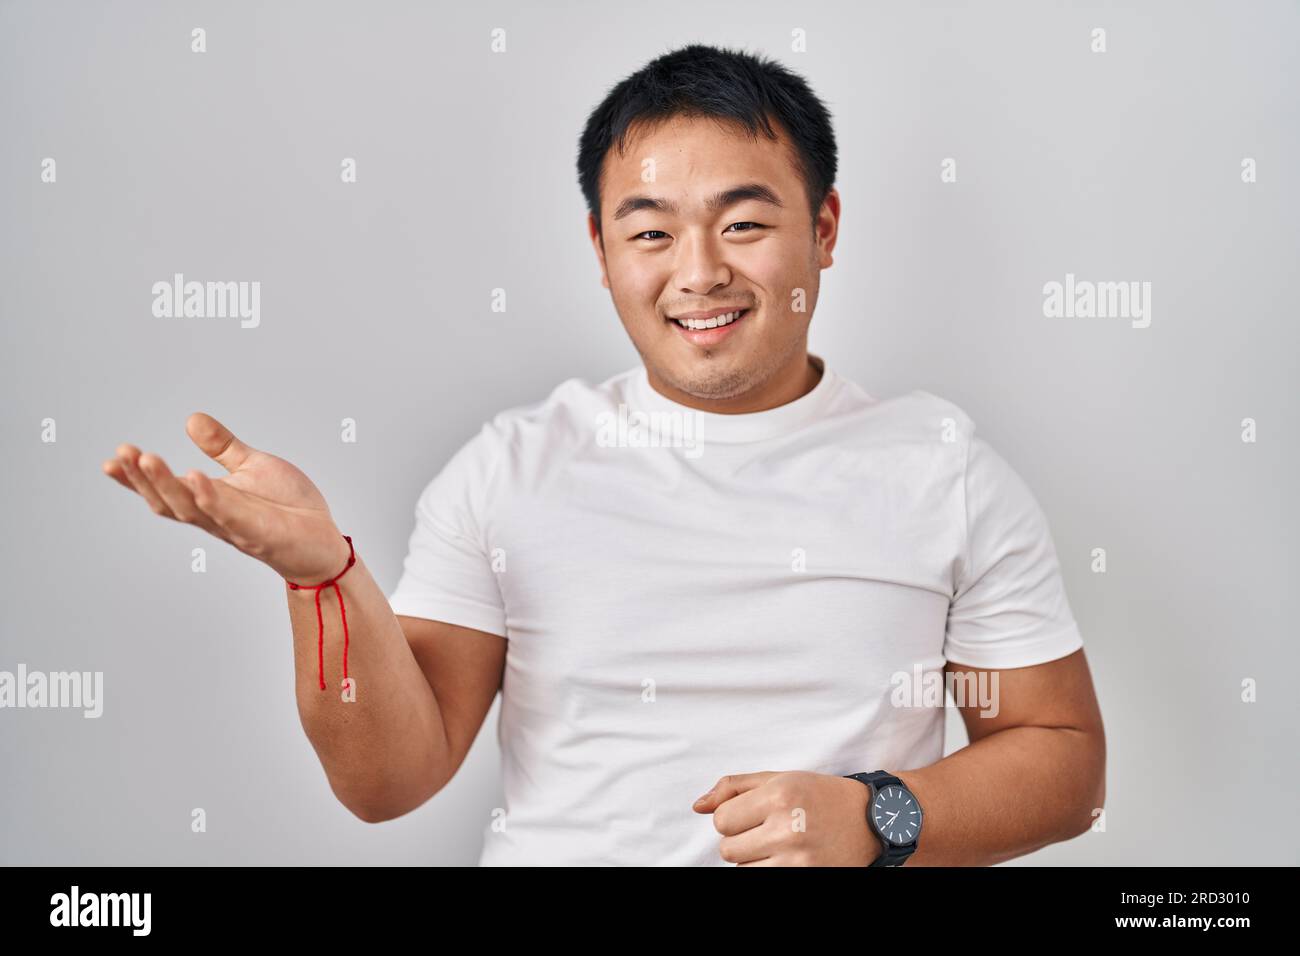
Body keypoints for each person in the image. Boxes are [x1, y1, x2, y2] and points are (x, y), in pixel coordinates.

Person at [103, 43, 1104, 866]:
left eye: (745, 224)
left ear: (824, 228)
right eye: (650, 233)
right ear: (600, 250)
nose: (699, 272)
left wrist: (879, 815)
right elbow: (385, 781)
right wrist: (326, 581)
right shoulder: (509, 469)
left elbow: (1062, 760)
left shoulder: (940, 466)